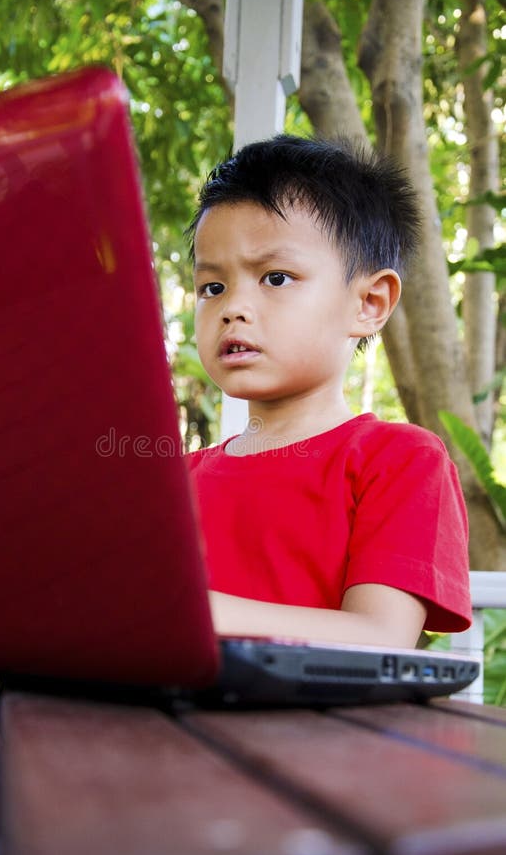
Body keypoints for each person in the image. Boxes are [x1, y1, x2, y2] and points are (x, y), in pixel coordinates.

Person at [185, 134, 471, 649]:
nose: (233, 308)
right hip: (162, 728)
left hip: (327, 730)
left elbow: (380, 637)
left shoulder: (402, 462)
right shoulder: (175, 483)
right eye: (213, 287)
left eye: (275, 277)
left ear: (369, 302)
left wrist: (194, 611)